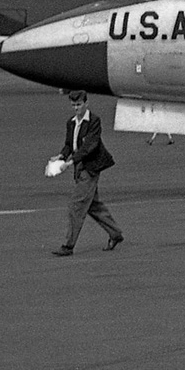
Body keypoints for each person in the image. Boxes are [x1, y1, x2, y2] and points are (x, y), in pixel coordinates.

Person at [50, 90, 123, 256]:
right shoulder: (71, 123)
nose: (76, 108)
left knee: (77, 206)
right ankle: (115, 234)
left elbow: (89, 147)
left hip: (90, 168)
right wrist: (61, 156)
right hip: (79, 168)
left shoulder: (94, 122)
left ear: (86, 103)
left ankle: (68, 246)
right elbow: (69, 144)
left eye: (79, 105)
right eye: (73, 105)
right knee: (92, 205)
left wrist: (69, 162)